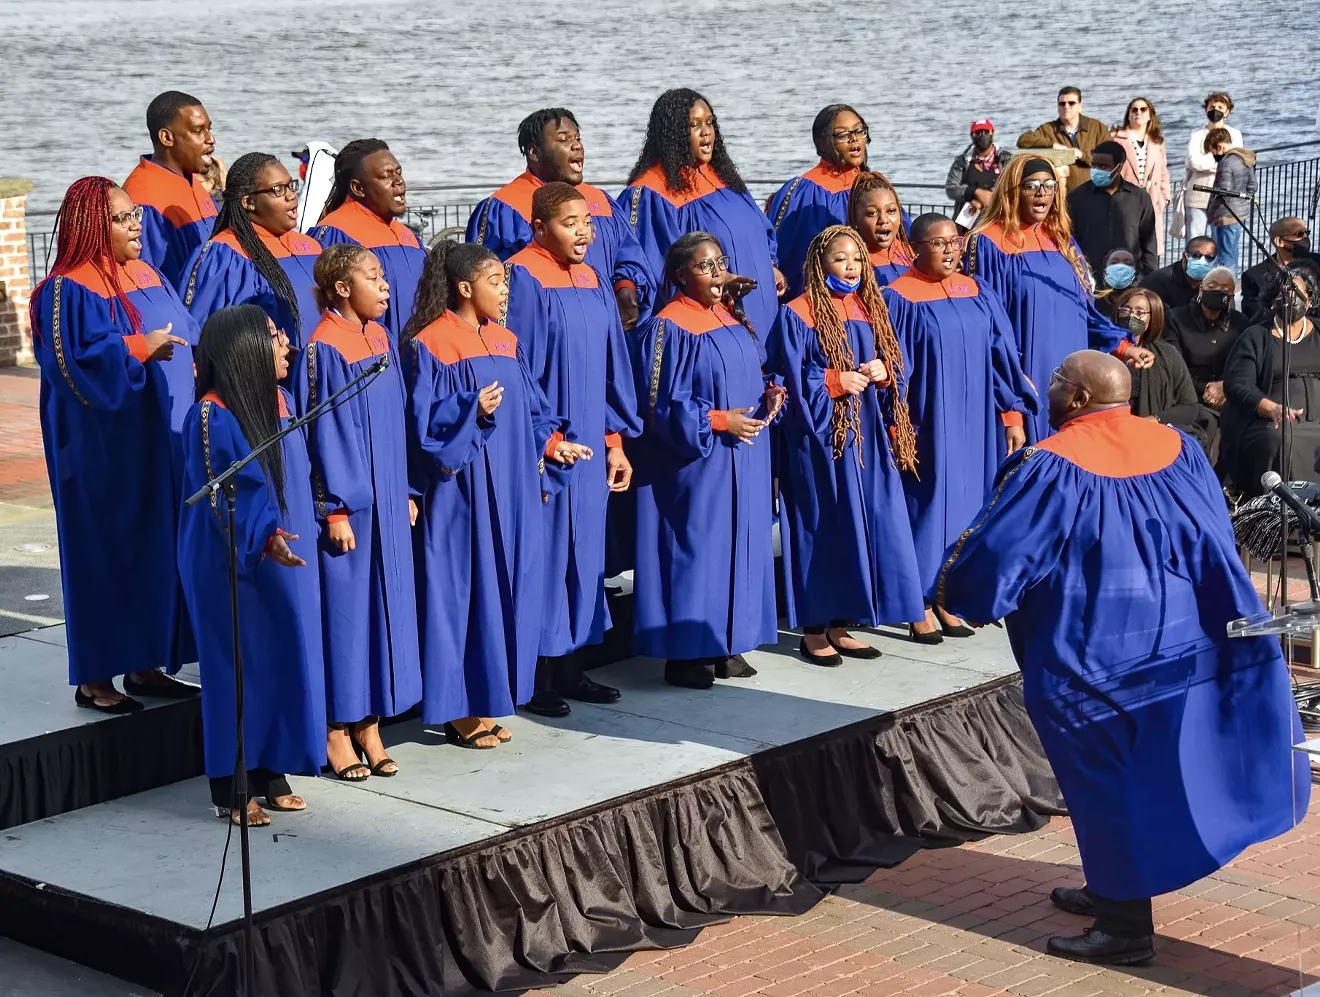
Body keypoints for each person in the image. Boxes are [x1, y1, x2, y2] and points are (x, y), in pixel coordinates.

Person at [935, 348, 1307, 966]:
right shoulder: (1177, 446)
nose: (1047, 390)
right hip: (1183, 635)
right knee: (1146, 768)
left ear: (1078, 398)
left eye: (1056, 382)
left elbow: (999, 557)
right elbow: (1213, 531)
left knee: (1105, 777)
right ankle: (1112, 882)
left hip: (1095, 649)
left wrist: (958, 594)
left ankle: (1124, 928)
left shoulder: (1050, 467)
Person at [404, 241, 587, 749]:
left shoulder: (506, 340)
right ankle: (456, 710)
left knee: (507, 586)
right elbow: (423, 428)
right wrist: (472, 410)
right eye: (496, 283)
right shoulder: (433, 342)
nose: (505, 292)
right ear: (465, 287)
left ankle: (487, 696)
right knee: (462, 593)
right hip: (462, 489)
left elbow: (532, 409)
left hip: (513, 487)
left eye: (506, 283)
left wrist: (555, 443)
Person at [28, 177, 196, 712]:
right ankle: (96, 678)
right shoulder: (65, 289)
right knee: (103, 554)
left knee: (155, 550)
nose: (136, 225)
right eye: (122, 218)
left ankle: (146, 665)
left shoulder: (146, 273)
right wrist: (138, 347)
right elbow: (71, 367)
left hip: (155, 442)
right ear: (93, 225)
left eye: (136, 216)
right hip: (102, 451)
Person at [179, 304, 324, 825]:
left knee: (278, 655)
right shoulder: (211, 413)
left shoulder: (279, 402)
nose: (285, 343)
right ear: (243, 350)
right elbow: (223, 493)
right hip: (226, 557)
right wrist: (263, 539)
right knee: (236, 668)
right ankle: (231, 784)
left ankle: (270, 767)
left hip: (273, 548)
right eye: (272, 336)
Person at [504, 183, 642, 716]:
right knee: (544, 554)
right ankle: (537, 676)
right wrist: (546, 438)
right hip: (548, 446)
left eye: (587, 222)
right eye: (568, 222)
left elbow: (612, 369)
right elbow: (521, 368)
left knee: (583, 554)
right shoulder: (523, 276)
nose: (583, 231)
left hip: (589, 441)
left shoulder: (591, 278)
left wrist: (615, 443)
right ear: (540, 227)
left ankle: (571, 667)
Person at [631, 231, 785, 688]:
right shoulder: (667, 327)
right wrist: (718, 420)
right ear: (680, 276)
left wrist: (770, 392)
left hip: (745, 455)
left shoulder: (728, 316)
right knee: (697, 548)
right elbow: (659, 404)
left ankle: (726, 641)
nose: (718, 273)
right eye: (705, 266)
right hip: (697, 461)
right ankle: (684, 656)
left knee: (742, 542)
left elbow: (752, 369)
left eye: (721, 263)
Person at [767, 224, 926, 660]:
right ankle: (814, 628)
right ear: (821, 263)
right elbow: (789, 379)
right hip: (820, 440)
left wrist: (884, 370)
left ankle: (843, 621)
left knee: (866, 521)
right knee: (824, 523)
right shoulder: (798, 312)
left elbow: (897, 359)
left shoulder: (868, 307)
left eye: (856, 259)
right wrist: (836, 380)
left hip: (867, 434)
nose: (851, 266)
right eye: (840, 259)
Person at [295, 243, 421, 779]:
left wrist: (409, 490)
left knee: (383, 612)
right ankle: (336, 729)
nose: (386, 285)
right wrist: (333, 509)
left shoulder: (380, 336)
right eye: (374, 277)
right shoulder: (326, 346)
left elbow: (398, 422)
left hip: (390, 501)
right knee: (347, 618)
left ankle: (371, 722)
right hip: (351, 508)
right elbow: (321, 437)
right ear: (343, 288)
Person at [883, 213, 1036, 639]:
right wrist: (899, 426)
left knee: (971, 507)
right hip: (929, 419)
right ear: (915, 248)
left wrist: (1011, 414)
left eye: (955, 241)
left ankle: (948, 596)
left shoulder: (977, 290)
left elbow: (1001, 358)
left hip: (979, 423)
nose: (950, 249)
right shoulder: (898, 298)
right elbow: (897, 371)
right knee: (928, 509)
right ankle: (916, 601)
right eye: (938, 243)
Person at [966, 156, 1144, 444]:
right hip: (1029, 376)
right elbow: (989, 331)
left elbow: (1083, 311)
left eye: (1049, 186)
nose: (1042, 193)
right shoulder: (988, 242)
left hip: (1076, 377)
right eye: (1032, 185)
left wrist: (1122, 347)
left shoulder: (1061, 239)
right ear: (1013, 190)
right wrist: (1011, 404)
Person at [466, 108, 655, 328]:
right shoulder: (504, 208)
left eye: (578, 138)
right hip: (539, 331)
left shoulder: (601, 202)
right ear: (534, 152)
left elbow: (628, 254)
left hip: (602, 328)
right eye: (564, 140)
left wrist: (625, 286)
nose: (577, 146)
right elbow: (482, 282)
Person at [619, 88, 786, 336]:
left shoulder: (725, 179)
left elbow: (760, 229)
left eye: (709, 123)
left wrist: (770, 265)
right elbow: (656, 269)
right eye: (694, 125)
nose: (706, 132)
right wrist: (719, 279)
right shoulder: (651, 194)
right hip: (708, 328)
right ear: (673, 134)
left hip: (761, 313)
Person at [180, 152, 322, 348]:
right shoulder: (225, 255)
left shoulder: (311, 248)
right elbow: (204, 335)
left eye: (291, 185)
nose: (291, 195)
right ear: (248, 202)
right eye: (278, 190)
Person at [310, 139, 426, 353]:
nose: (398, 181)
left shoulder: (407, 235)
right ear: (358, 188)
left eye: (398, 172)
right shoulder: (335, 233)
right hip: (370, 355)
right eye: (385, 176)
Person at [1220, 265, 1320, 496]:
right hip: (1270, 422)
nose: (1289, 298)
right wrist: (1272, 408)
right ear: (1272, 299)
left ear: (1310, 301)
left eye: (1296, 292)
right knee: (1282, 439)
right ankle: (1286, 515)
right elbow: (1238, 385)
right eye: (1283, 292)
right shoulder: (1255, 336)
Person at [767, 103, 873, 299]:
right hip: (820, 297)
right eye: (842, 134)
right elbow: (784, 252)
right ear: (821, 144)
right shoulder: (803, 191)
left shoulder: (875, 187)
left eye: (859, 130)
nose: (854, 138)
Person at [122, 91, 218, 287]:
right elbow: (150, 284)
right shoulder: (144, 200)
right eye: (199, 131)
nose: (211, 139)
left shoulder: (191, 183)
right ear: (166, 137)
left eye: (209, 129)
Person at [1163, 266, 1247, 461]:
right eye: (1212, 285)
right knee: (1205, 421)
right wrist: (1206, 389)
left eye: (1226, 289)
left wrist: (1226, 387)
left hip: (1229, 393)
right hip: (1187, 393)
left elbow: (1244, 365)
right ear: (1201, 289)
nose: (1219, 291)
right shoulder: (1175, 319)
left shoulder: (1241, 323)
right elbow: (1175, 365)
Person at [1112, 287, 1201, 439]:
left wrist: (1153, 420)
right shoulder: (1102, 352)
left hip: (1150, 433)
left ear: (1153, 318)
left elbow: (1190, 408)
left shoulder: (1167, 355)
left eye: (1140, 312)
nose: (1131, 316)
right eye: (1125, 310)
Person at [1066, 141, 1158, 281]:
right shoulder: (1076, 198)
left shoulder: (1140, 199)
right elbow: (1069, 240)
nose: (1097, 170)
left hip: (1130, 279)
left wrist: (1148, 279)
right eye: (1094, 165)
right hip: (1089, 279)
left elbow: (1149, 244)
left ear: (1119, 167)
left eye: (1103, 166)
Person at [1016, 87, 1110, 192]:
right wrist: (1054, 146)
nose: (1066, 107)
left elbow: (1110, 156)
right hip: (1064, 196)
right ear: (1058, 107)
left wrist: (1082, 155)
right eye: (1062, 103)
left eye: (1071, 103)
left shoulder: (1097, 127)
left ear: (1080, 106)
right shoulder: (1048, 129)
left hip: (1096, 193)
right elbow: (1024, 140)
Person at [1110, 97, 1171, 258]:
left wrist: (1165, 198)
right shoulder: (1117, 139)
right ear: (1128, 114)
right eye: (1134, 109)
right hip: (1125, 201)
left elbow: (1163, 171)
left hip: (1152, 201)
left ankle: (1148, 282)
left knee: (1150, 251)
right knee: (1126, 248)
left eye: (1143, 109)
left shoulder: (1157, 141)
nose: (1138, 113)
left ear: (1150, 115)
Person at [1184, 92, 1243, 240]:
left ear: (1227, 111)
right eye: (1212, 106)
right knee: (1195, 240)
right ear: (1206, 110)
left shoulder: (1235, 134)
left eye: (1220, 107)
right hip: (1198, 195)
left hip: (1224, 198)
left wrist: (1209, 161)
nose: (1215, 110)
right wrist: (1219, 162)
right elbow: (1194, 162)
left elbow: (1234, 162)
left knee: (1220, 242)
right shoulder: (1197, 134)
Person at [1204, 128, 1257, 279]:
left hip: (1225, 215)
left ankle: (1225, 288)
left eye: (1212, 150)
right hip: (1239, 214)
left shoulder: (1226, 163)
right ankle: (1232, 285)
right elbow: (1253, 187)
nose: (1213, 155)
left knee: (1224, 257)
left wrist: (1212, 205)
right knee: (1232, 252)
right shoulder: (1245, 158)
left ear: (1219, 147)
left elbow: (1224, 190)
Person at [944, 118, 1012, 231]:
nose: (982, 136)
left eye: (986, 132)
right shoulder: (963, 161)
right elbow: (951, 188)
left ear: (992, 133)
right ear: (972, 136)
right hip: (967, 222)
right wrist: (975, 193)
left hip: (998, 219)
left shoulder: (1005, 159)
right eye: (977, 133)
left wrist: (984, 200)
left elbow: (1011, 186)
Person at [848, 172, 913, 287]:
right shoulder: (851, 261)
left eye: (891, 211)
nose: (883, 220)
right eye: (872, 213)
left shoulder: (907, 251)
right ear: (855, 218)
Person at [1242, 218, 1311, 321]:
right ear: (1279, 241)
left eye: (1307, 233)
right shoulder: (1254, 276)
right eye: (1299, 234)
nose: (1305, 238)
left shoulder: (1317, 265)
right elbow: (1253, 314)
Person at [1139, 236, 1217, 311]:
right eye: (1195, 255)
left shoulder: (1216, 283)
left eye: (1209, 257)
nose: (1202, 261)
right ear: (1184, 256)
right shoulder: (1158, 282)